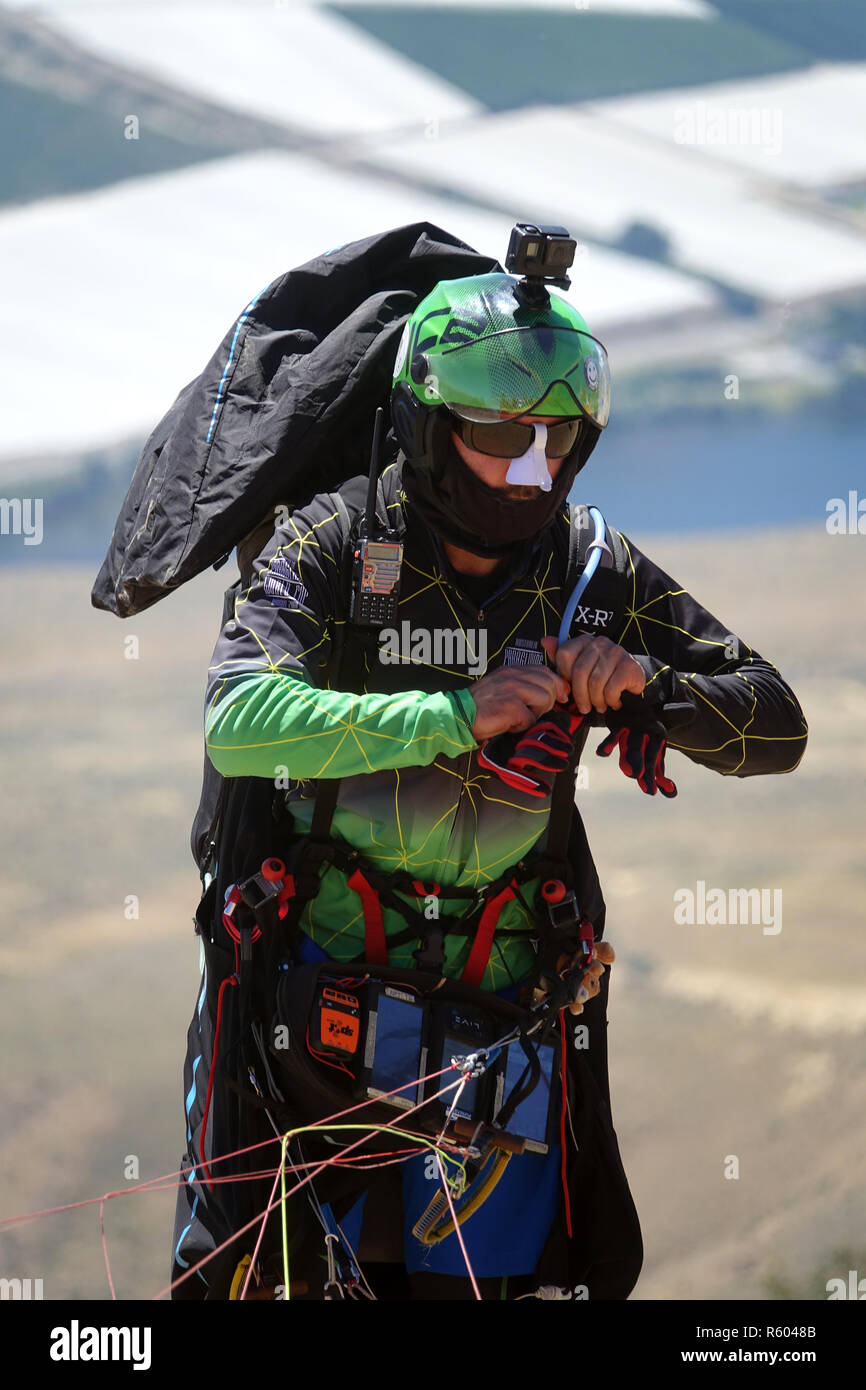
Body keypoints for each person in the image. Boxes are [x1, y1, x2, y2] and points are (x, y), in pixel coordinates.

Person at [171, 263, 808, 1301]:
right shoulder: (336, 541)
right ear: (426, 425)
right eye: (501, 433)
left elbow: (776, 721)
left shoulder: (591, 569)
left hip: (503, 1035)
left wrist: (645, 685)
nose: (532, 467)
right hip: (308, 1022)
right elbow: (239, 721)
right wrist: (456, 715)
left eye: (557, 438)